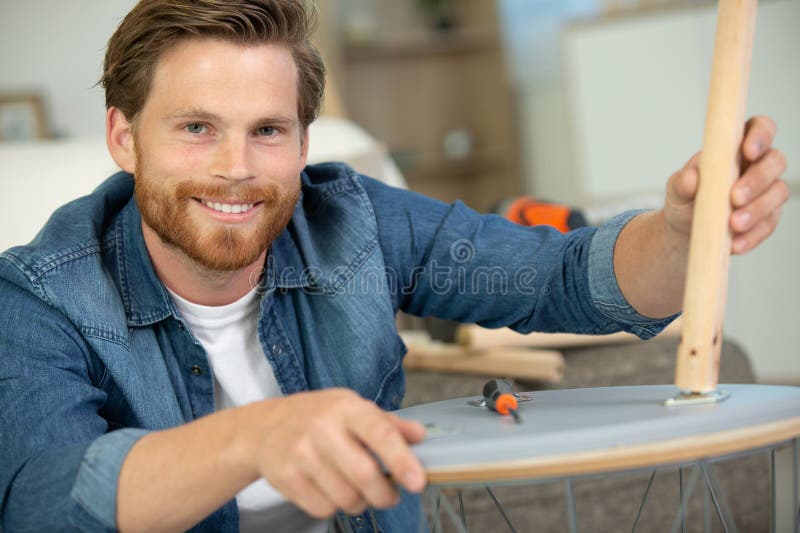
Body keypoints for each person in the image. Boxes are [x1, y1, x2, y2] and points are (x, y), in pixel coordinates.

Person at [0, 0, 788, 532]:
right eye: (198, 127)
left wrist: (682, 233)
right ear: (124, 136)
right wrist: (256, 436)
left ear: (305, 144)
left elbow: (563, 278)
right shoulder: (37, 293)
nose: (236, 167)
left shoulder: (355, 219)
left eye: (268, 131)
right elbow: (41, 498)